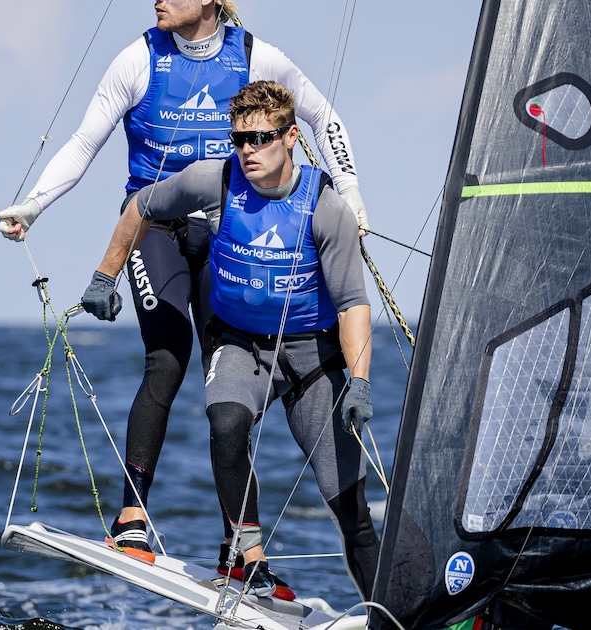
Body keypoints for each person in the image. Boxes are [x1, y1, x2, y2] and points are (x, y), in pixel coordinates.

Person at [0, 0, 371, 595]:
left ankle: (238, 547)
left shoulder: (254, 55)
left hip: (226, 232)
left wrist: (346, 191)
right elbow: (83, 141)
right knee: (166, 361)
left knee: (228, 394)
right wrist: (35, 204)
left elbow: (324, 119)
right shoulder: (137, 60)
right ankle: (131, 518)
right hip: (155, 232)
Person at [80, 80, 378, 601]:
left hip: (312, 358)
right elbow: (142, 205)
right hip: (240, 344)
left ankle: (404, 612)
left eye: (260, 138)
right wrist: (105, 275)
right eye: (238, 138)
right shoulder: (216, 179)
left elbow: (353, 303)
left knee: (350, 510)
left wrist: (359, 381)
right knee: (225, 422)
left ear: (290, 138)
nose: (247, 150)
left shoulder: (326, 208)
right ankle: (249, 557)